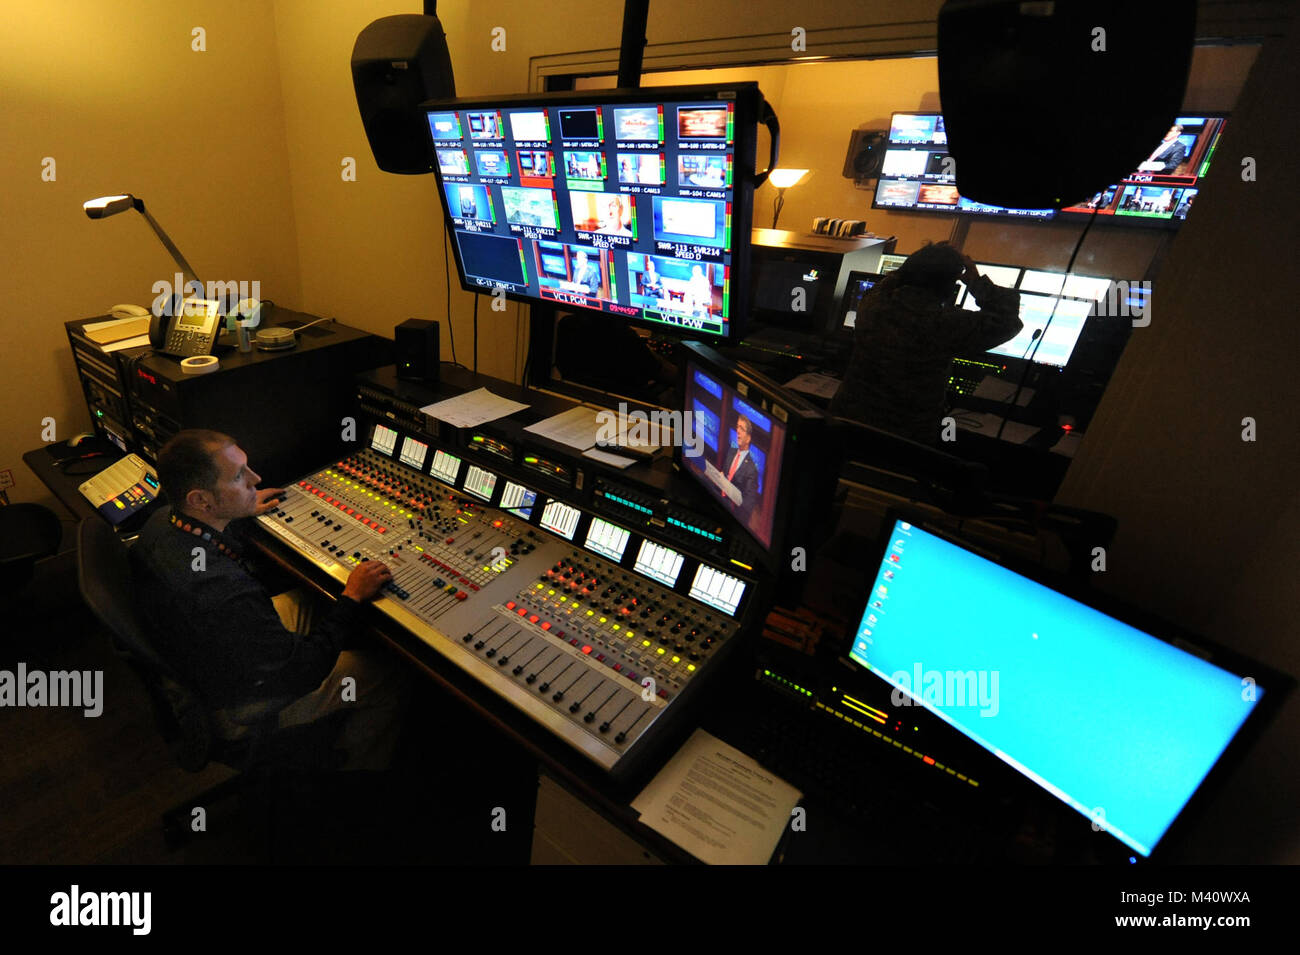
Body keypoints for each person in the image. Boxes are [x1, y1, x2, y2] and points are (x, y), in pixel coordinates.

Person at [129, 429, 408, 771]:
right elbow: (301, 673)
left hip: (205, 652)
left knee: (309, 602)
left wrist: (236, 508)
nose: (256, 479)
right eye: (238, 477)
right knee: (385, 675)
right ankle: (356, 776)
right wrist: (350, 597)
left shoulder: (161, 522)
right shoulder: (222, 592)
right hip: (241, 704)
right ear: (201, 500)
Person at [830, 242, 1023, 445]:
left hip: (845, 427)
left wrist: (922, 260)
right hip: (904, 440)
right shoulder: (945, 324)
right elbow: (1007, 322)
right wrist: (975, 282)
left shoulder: (873, 302)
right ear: (949, 289)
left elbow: (893, 279)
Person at [721, 415, 760, 525]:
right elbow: (725, 474)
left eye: (741, 429)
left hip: (731, 506)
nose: (737, 430)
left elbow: (748, 504)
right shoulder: (731, 452)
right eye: (737, 427)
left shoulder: (752, 470)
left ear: (748, 438)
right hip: (719, 493)